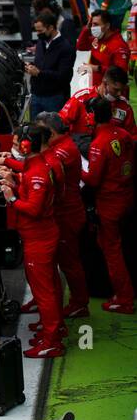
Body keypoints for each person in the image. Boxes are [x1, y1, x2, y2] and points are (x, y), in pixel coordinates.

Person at [80, 97, 135, 315]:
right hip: (128, 198)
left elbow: (92, 180)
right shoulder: (124, 135)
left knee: (113, 252)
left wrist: (77, 169)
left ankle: (124, 298)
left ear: (92, 116)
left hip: (110, 204)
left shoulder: (98, 144)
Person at [34, 112, 90, 319]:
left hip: (67, 215)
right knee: (55, 262)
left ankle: (80, 303)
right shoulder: (58, 146)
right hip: (62, 211)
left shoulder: (62, 151)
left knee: (69, 263)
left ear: (50, 132)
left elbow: (41, 171)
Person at [27, 11, 75, 116]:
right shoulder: (41, 42)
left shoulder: (65, 48)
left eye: (40, 31)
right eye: (36, 31)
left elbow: (64, 76)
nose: (38, 34)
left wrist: (39, 73)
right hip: (36, 95)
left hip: (54, 98)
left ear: (51, 28)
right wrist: (30, 66)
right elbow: (41, 64)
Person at [77, 10, 129, 90]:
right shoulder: (98, 38)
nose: (93, 28)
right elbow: (80, 46)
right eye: (92, 24)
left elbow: (120, 74)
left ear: (107, 25)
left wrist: (96, 68)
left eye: (96, 24)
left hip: (112, 93)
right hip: (96, 89)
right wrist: (87, 28)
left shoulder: (119, 46)